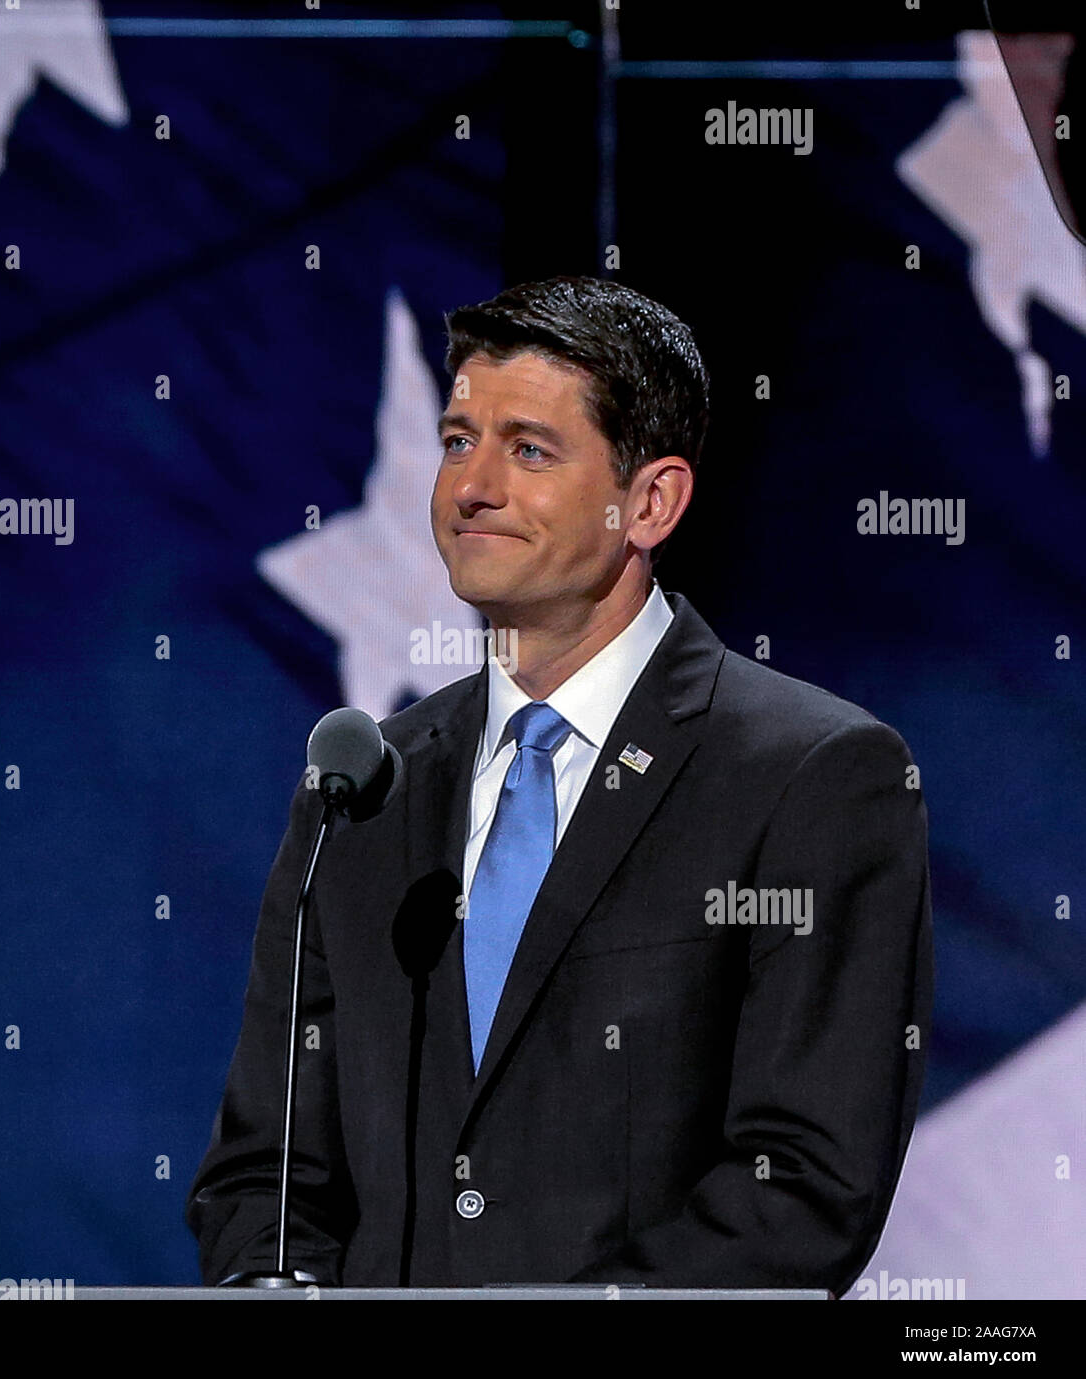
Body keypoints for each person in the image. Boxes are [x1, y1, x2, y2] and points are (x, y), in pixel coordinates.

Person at [185, 274, 933, 1294]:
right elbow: (265, 1175)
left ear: (652, 500)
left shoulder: (809, 775)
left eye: (528, 449)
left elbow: (801, 1188)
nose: (469, 488)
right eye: (457, 441)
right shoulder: (366, 787)